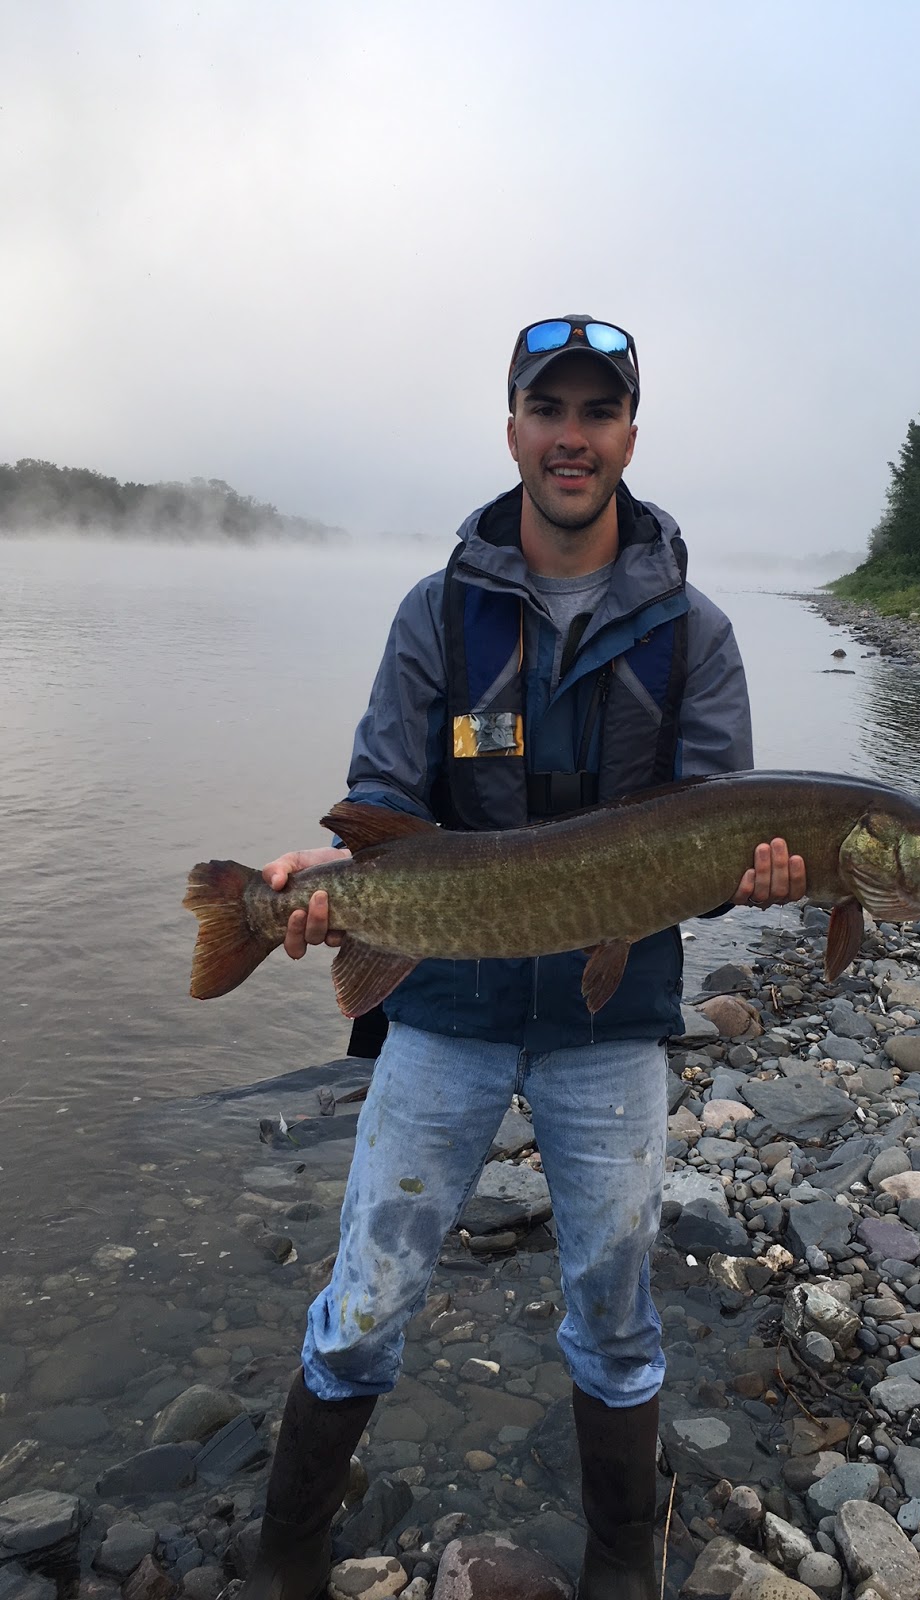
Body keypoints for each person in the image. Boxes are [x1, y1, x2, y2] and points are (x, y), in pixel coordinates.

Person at [244, 316, 807, 1600]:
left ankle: (621, 1554)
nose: (572, 437)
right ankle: (285, 1549)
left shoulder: (692, 632)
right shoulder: (437, 611)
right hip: (440, 1000)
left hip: (610, 1027)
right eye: (548, 410)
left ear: (627, 438)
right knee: (369, 1297)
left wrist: (759, 872)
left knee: (616, 1309)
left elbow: (714, 825)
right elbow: (381, 791)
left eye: (597, 413)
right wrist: (319, 894)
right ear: (513, 429)